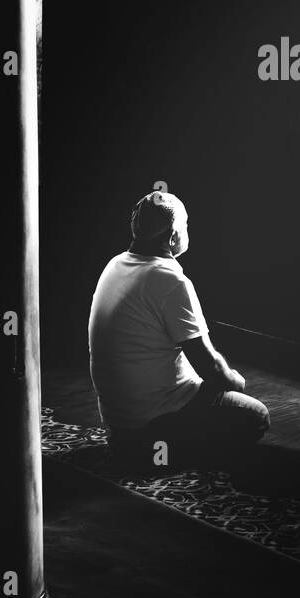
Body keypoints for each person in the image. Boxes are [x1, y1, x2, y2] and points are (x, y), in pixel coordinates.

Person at [88, 190, 270, 467]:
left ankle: (137, 446)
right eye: (186, 226)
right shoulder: (169, 279)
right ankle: (161, 453)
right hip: (151, 423)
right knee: (256, 416)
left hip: (119, 422)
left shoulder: (114, 265)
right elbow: (209, 366)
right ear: (173, 237)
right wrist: (236, 382)